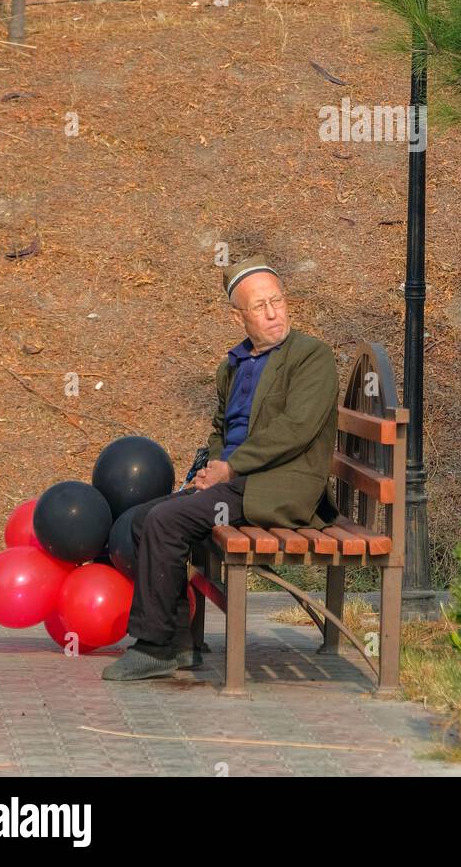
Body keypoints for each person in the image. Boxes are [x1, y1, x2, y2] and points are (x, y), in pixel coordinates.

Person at [102, 255, 339, 681]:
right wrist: (214, 464)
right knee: (140, 520)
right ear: (238, 316)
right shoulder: (232, 365)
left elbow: (295, 431)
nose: (273, 313)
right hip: (234, 484)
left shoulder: (311, 357)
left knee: (165, 521)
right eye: (260, 307)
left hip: (276, 487)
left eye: (278, 301)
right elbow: (220, 427)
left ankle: (155, 646)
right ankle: (177, 642)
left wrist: (229, 470)